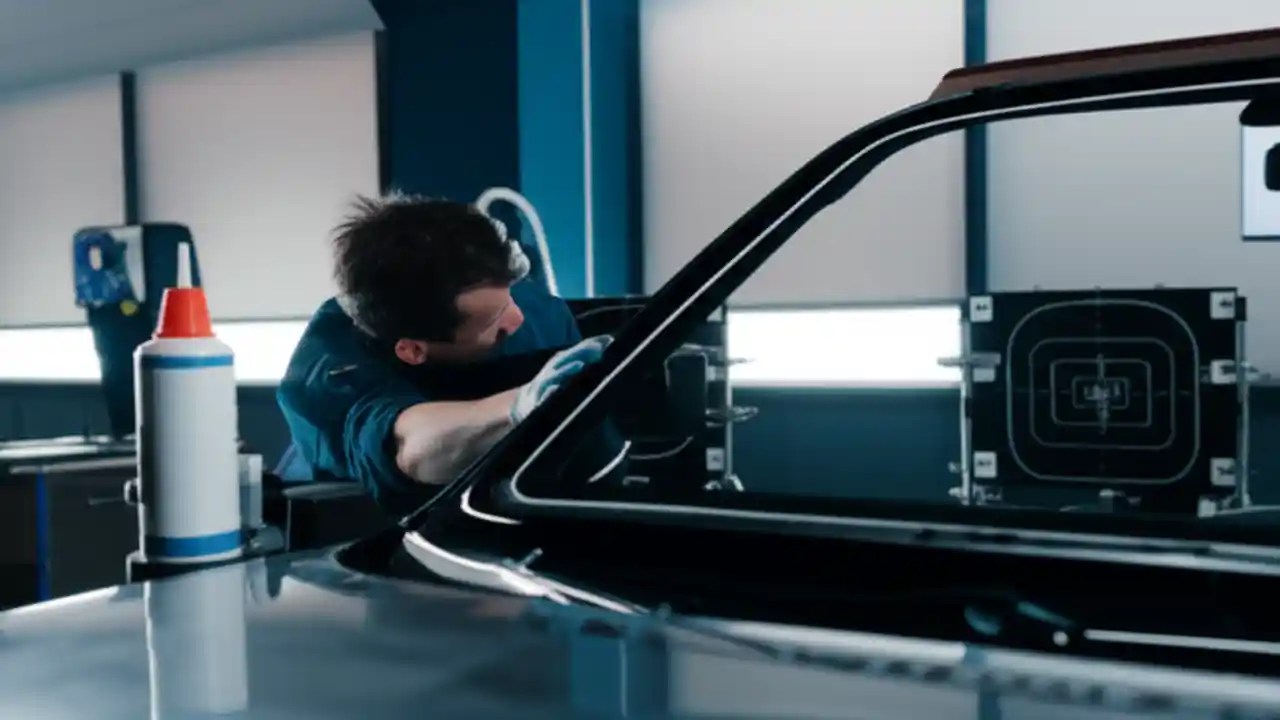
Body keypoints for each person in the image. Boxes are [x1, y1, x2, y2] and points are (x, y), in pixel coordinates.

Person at [276, 193, 613, 515]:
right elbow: (409, 444)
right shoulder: (330, 377)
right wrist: (518, 407)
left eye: (511, 297)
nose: (518, 319)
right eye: (494, 322)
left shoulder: (529, 308)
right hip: (357, 528)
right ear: (413, 350)